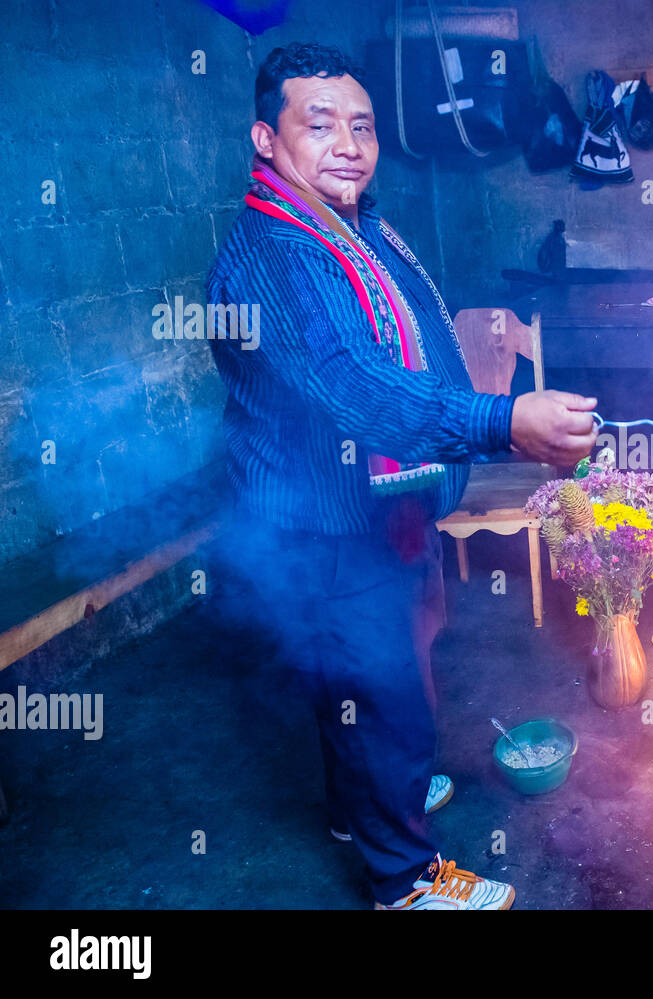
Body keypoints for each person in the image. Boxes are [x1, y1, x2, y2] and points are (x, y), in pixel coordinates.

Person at [206, 43, 596, 909]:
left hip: (375, 509)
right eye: (320, 124)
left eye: (362, 126)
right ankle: (405, 878)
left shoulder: (346, 224)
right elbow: (354, 390)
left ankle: (367, 807)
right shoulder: (279, 251)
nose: (348, 143)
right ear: (266, 140)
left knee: (361, 678)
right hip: (330, 521)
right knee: (385, 691)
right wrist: (505, 422)